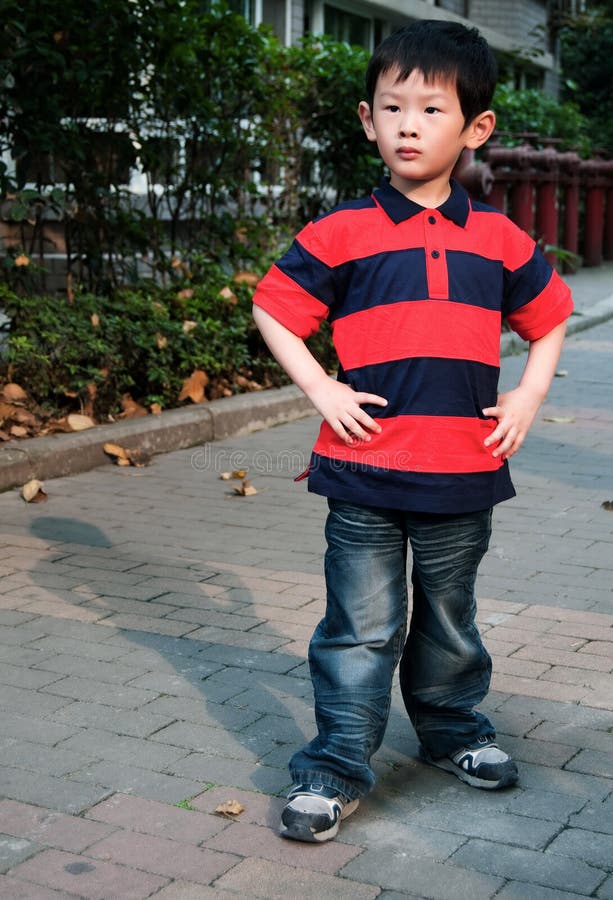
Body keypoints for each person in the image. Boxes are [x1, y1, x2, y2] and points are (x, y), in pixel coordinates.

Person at [252, 19, 573, 844]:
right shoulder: (342, 233)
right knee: (359, 624)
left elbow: (549, 318)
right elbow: (274, 304)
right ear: (366, 119)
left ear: (475, 128)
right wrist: (320, 386)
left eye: (430, 110)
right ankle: (335, 766)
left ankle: (453, 733)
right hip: (361, 472)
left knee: (449, 616)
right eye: (391, 107)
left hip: (462, 471)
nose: (406, 124)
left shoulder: (499, 241)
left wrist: (529, 397)